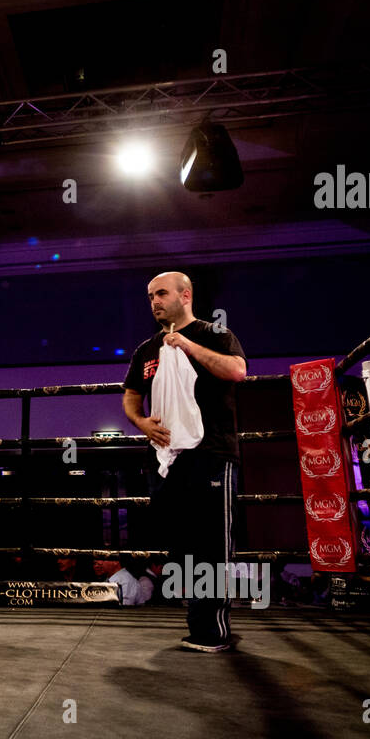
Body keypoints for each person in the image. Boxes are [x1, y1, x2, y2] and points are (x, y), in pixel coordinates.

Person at [122, 272, 247, 651]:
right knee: (183, 545)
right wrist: (142, 422)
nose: (154, 301)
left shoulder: (215, 334)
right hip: (166, 460)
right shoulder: (146, 349)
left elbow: (237, 371)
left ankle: (214, 631)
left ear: (185, 295)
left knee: (212, 544)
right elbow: (131, 396)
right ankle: (198, 624)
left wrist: (188, 347)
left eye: (161, 293)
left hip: (211, 455)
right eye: (149, 296)